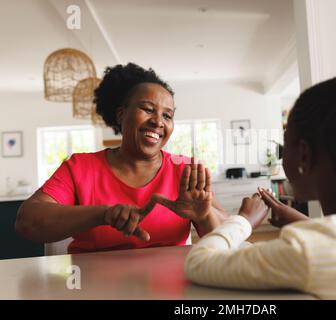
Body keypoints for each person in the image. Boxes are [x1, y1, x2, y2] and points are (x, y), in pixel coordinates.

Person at [182, 47, 336, 299]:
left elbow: (198, 262)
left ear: (304, 156)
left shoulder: (305, 251)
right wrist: (298, 220)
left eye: (286, 144)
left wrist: (244, 220)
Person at [15, 63, 227, 253]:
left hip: (171, 289)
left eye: (167, 115)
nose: (158, 121)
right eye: (147, 109)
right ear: (121, 115)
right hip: (93, 288)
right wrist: (103, 214)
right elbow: (27, 222)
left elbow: (230, 237)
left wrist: (205, 215)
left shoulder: (185, 170)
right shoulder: (81, 167)